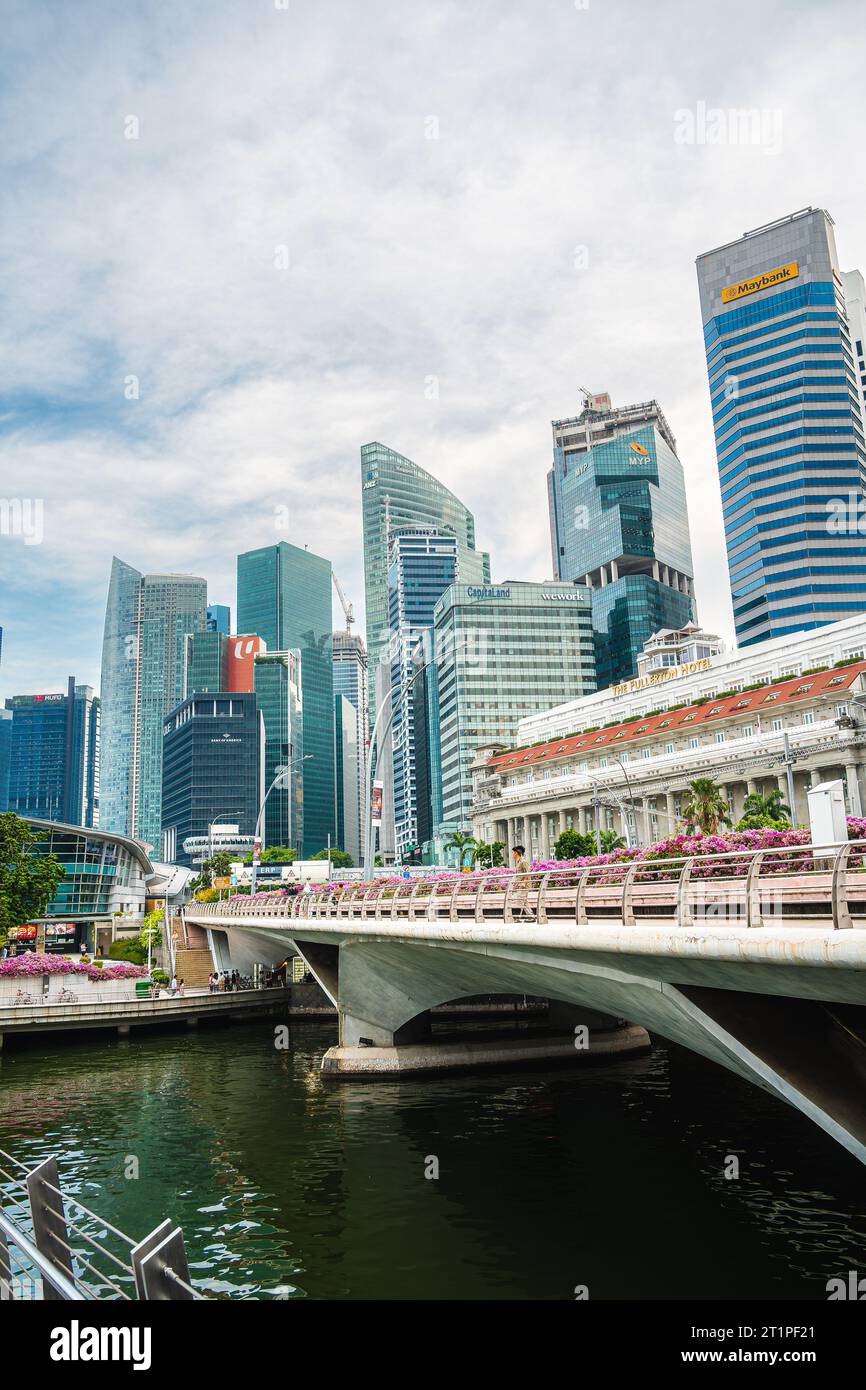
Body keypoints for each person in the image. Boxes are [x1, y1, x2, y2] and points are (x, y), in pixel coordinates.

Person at [511, 844, 534, 921]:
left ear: (516, 853)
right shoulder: (519, 862)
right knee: (523, 901)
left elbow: (528, 872)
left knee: (519, 899)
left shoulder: (523, 862)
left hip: (524, 885)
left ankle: (518, 917)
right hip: (520, 885)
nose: (512, 854)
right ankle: (531, 917)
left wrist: (524, 883)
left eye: (513, 853)